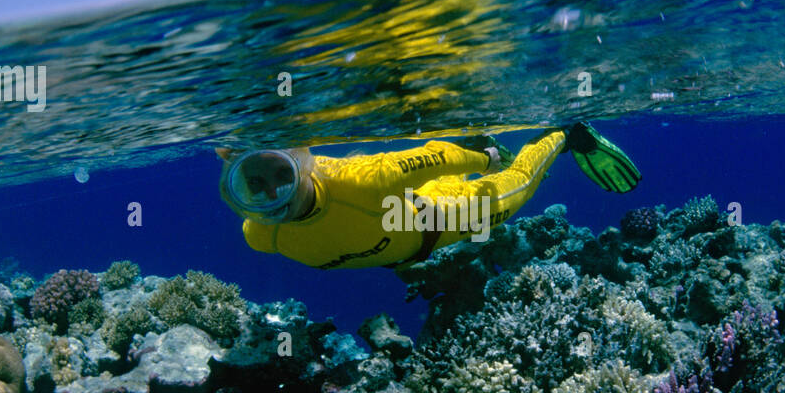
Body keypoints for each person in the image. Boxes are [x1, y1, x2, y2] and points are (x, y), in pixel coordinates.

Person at [217, 123, 640, 271]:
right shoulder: (260, 234)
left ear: (303, 160)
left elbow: (436, 158)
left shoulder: (369, 181)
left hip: (439, 220)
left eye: (283, 175)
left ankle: (565, 136)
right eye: (254, 187)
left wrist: (486, 159)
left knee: (519, 188)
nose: (275, 195)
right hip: (401, 224)